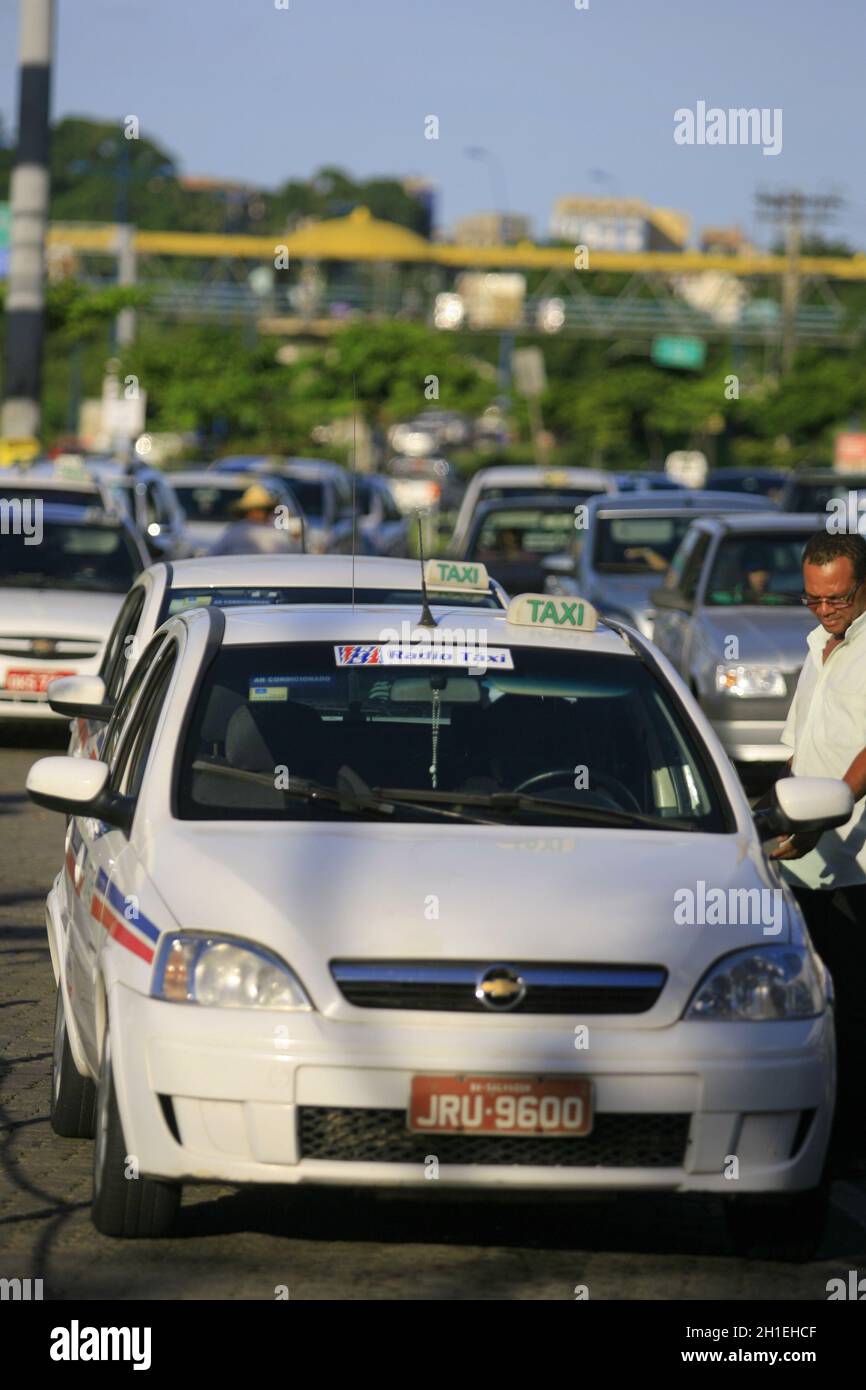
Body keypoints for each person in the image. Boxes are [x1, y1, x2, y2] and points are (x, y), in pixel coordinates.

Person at [770, 530, 866, 1171]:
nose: (826, 610)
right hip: (806, 861)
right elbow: (799, 744)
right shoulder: (818, 645)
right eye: (813, 600)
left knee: (856, 1012)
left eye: (837, 599)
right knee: (817, 1008)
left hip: (856, 864)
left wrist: (830, 808)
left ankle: (850, 1148)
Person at [209, 483, 299, 556]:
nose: (258, 513)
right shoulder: (278, 532)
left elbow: (213, 555)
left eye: (261, 509)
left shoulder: (234, 530)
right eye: (256, 509)